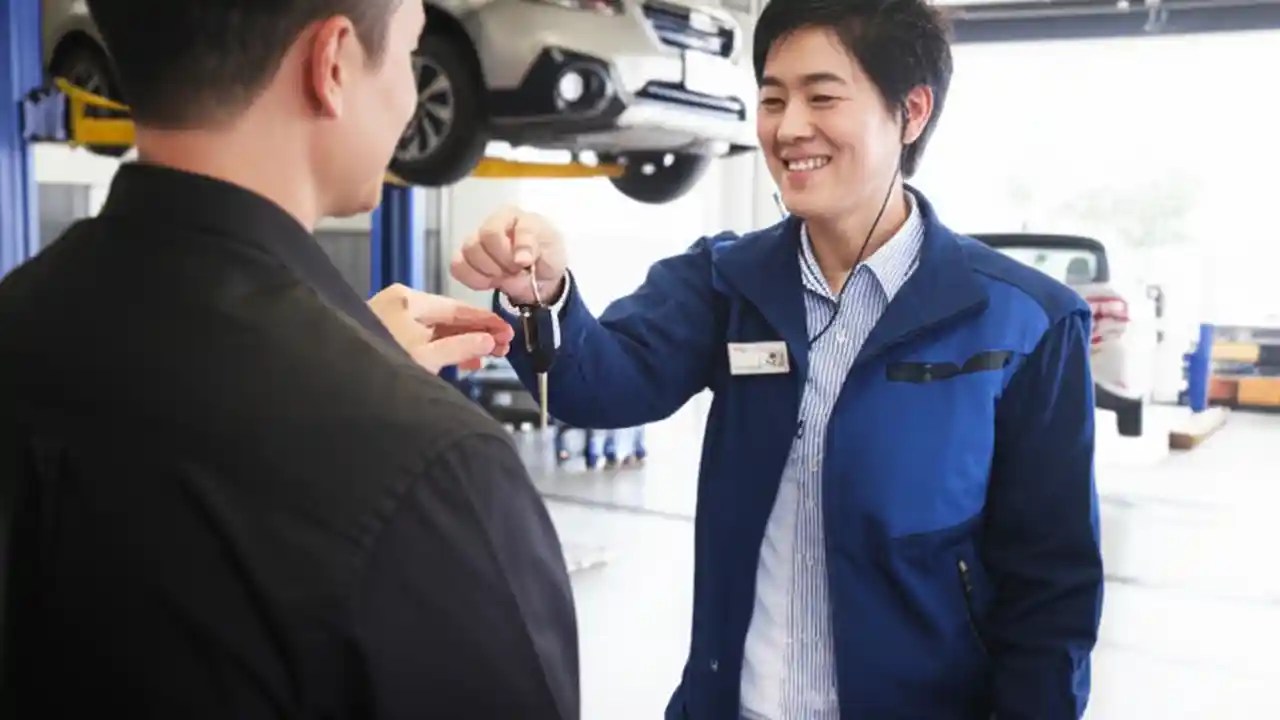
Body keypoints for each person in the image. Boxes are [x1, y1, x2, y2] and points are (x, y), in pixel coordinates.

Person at [451, 0, 1104, 718]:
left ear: (911, 112)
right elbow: (602, 386)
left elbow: (1052, 594)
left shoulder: (1024, 321)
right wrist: (544, 295)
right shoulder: (727, 281)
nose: (789, 127)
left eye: (822, 96)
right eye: (772, 97)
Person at [0, 1, 578, 718]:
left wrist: (348, 353)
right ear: (331, 64)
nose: (407, 97)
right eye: (409, 54)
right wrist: (365, 389)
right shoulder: (436, 468)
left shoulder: (20, 326)